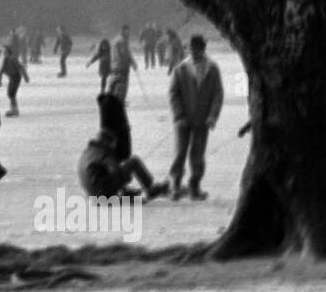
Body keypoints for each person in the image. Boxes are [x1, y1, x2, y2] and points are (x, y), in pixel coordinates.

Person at [79, 84, 169, 201]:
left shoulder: (89, 151)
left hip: (92, 192)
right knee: (133, 162)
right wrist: (126, 175)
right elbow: (116, 170)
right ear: (107, 142)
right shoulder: (103, 154)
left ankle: (122, 191)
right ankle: (150, 189)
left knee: (112, 172)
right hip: (102, 192)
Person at [166, 34, 224, 201]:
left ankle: (194, 186)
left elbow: (217, 94)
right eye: (191, 49)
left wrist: (213, 116)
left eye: (197, 49)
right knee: (180, 153)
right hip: (182, 120)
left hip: (202, 120)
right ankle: (175, 185)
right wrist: (178, 116)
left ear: (203, 49)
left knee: (197, 155)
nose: (194, 53)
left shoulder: (212, 69)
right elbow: (173, 93)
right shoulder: (181, 69)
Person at [0, 44, 29, 116]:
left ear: (8, 52)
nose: (3, 54)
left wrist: (26, 77)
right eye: (2, 52)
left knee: (11, 94)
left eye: (5, 52)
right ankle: (14, 109)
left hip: (16, 77)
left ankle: (14, 110)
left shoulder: (13, 59)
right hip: (11, 78)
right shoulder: (3, 61)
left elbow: (21, 67)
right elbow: (0, 71)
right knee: (10, 94)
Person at [108, 25, 138, 102]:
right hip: (122, 67)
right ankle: (119, 101)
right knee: (121, 86)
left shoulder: (116, 40)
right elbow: (125, 54)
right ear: (124, 31)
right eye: (128, 31)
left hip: (113, 67)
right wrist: (132, 63)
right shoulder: (122, 41)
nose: (129, 33)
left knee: (113, 85)